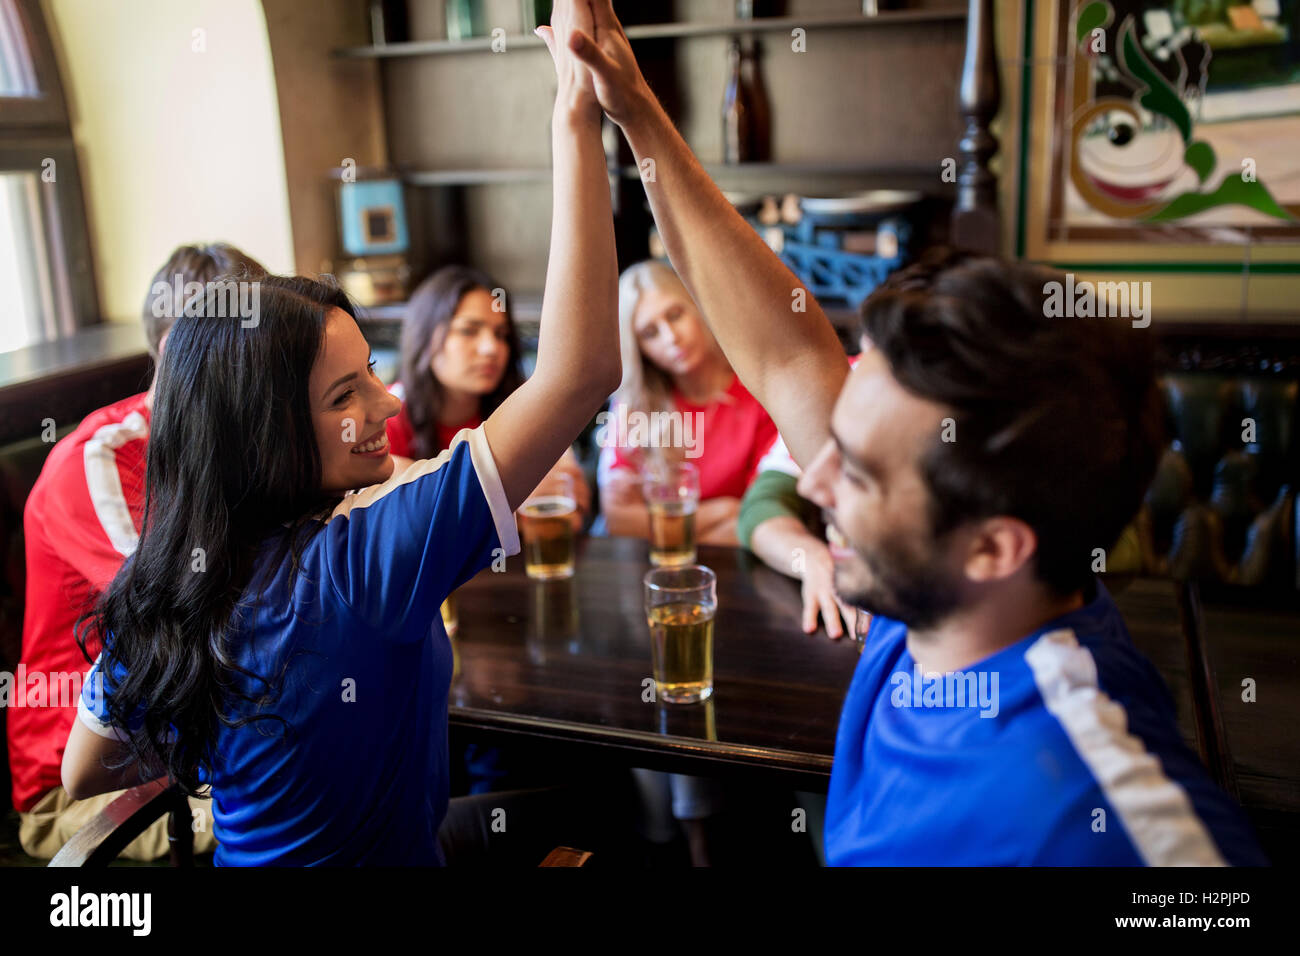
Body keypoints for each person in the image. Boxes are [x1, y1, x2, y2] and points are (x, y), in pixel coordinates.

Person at [559, 2, 1267, 865]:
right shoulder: (936, 602)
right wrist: (632, 108)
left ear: (993, 548)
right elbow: (785, 354)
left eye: (855, 473)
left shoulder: (1102, 811)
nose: (815, 485)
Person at [60, 1, 620, 866]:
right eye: (348, 393)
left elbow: (83, 771)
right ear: (267, 432)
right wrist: (575, 117)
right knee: (602, 818)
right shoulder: (360, 561)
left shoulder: (162, 583)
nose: (389, 405)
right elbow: (581, 373)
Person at [10, 242, 263, 860]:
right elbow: (190, 613)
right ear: (173, 346)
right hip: (90, 785)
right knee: (300, 801)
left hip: (203, 747)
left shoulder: (247, 443)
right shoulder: (100, 459)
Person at [387, 264, 591, 528]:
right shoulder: (389, 412)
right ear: (424, 336)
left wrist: (459, 511)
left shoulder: (526, 406)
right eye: (469, 331)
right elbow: (393, 526)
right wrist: (508, 507)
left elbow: (569, 514)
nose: (491, 348)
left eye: (501, 334)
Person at [598, 260, 776, 545]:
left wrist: (663, 527)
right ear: (639, 349)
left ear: (697, 307)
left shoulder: (758, 394)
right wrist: (724, 511)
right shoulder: (634, 404)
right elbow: (618, 521)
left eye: (675, 315)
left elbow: (766, 517)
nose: (671, 338)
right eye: (650, 333)